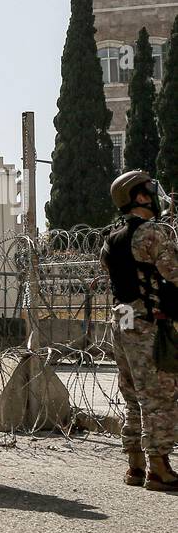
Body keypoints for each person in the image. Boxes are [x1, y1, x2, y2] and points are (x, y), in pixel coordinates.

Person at [101, 169, 178, 491]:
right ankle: (159, 468)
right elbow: (174, 273)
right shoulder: (152, 233)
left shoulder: (111, 238)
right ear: (141, 196)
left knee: (133, 397)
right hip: (149, 324)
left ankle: (135, 464)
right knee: (159, 396)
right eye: (149, 190)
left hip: (121, 322)